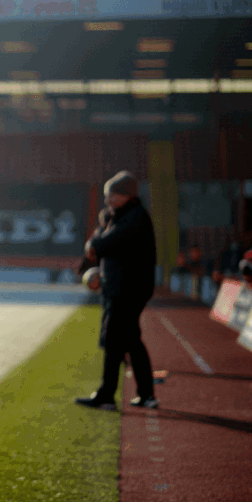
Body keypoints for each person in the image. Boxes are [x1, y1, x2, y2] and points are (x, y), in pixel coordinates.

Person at [76, 170, 159, 411]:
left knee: (113, 341)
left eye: (112, 195)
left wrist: (93, 244)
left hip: (127, 290)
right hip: (122, 287)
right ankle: (146, 395)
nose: (108, 200)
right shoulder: (121, 216)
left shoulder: (134, 218)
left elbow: (107, 243)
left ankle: (106, 396)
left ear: (126, 195)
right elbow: (102, 239)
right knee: (132, 341)